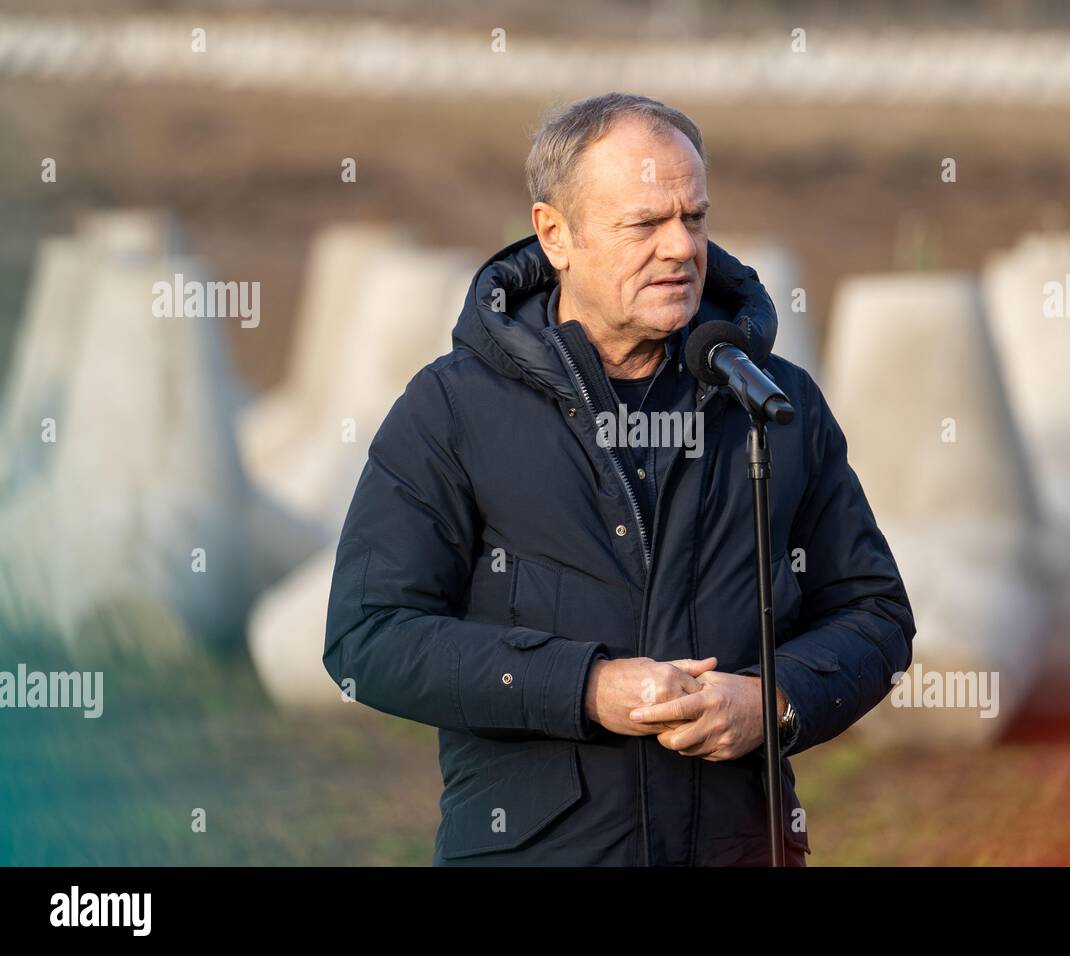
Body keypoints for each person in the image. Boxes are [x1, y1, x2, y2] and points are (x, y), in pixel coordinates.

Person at [323, 91, 915, 866]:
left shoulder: (775, 402)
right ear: (556, 235)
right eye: (645, 223)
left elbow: (875, 613)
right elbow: (368, 638)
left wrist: (772, 700)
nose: (681, 247)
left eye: (695, 218)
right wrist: (585, 687)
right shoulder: (452, 408)